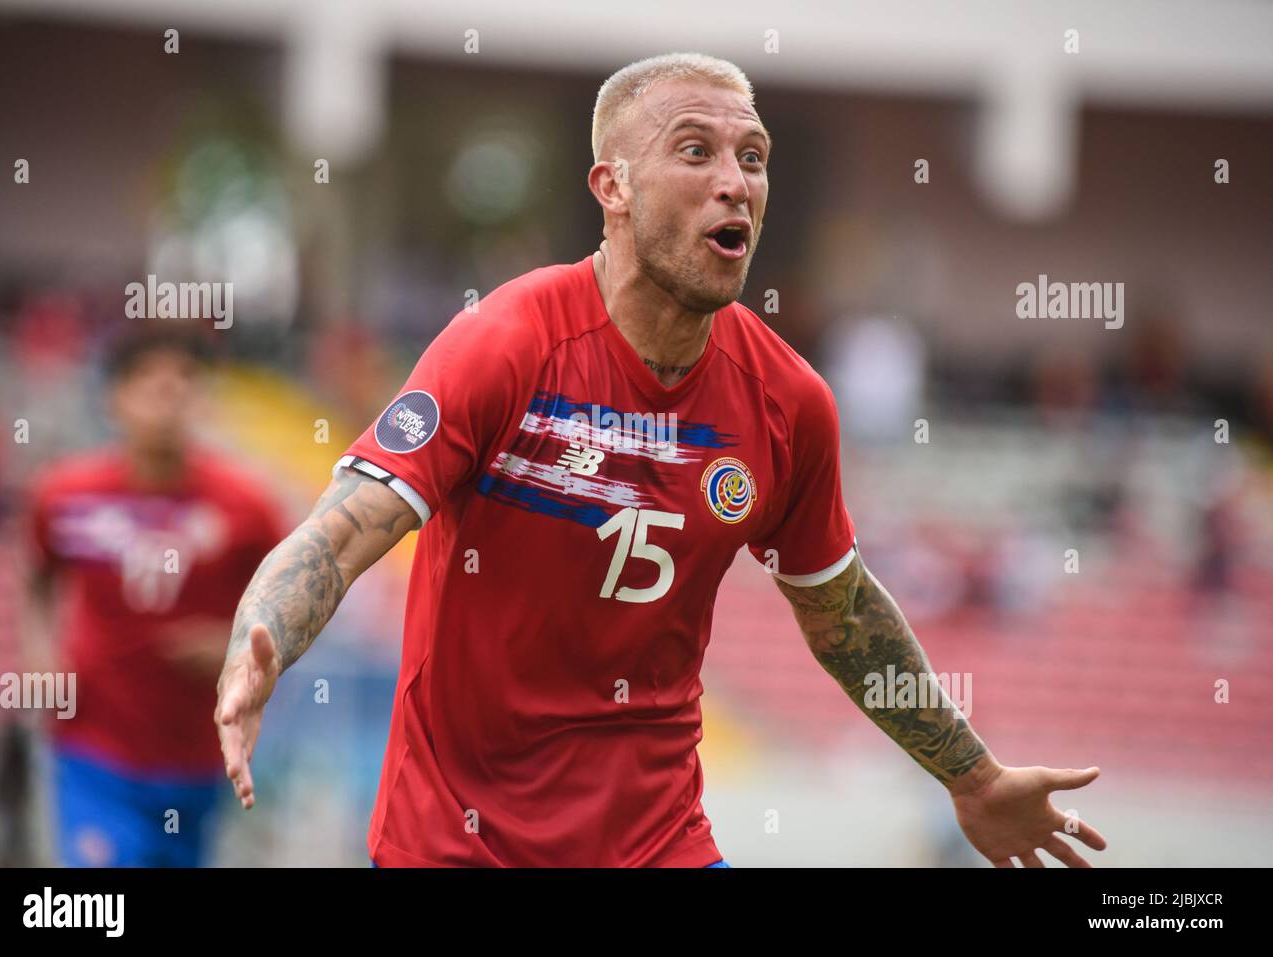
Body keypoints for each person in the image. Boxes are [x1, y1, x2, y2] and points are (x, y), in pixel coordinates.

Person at [216, 53, 1107, 868]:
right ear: (614, 186)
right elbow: (343, 534)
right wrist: (261, 642)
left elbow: (841, 612)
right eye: (696, 152)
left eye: (752, 159)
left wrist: (973, 775)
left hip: (657, 843)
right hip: (456, 845)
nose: (735, 184)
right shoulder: (504, 345)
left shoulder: (790, 402)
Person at [25, 323, 286, 866]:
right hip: (94, 747)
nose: (170, 399)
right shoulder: (66, 496)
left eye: (186, 382)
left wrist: (230, 648)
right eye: (151, 383)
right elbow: (36, 578)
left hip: (196, 755)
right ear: (114, 396)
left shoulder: (248, 506)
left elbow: (286, 604)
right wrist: (39, 655)